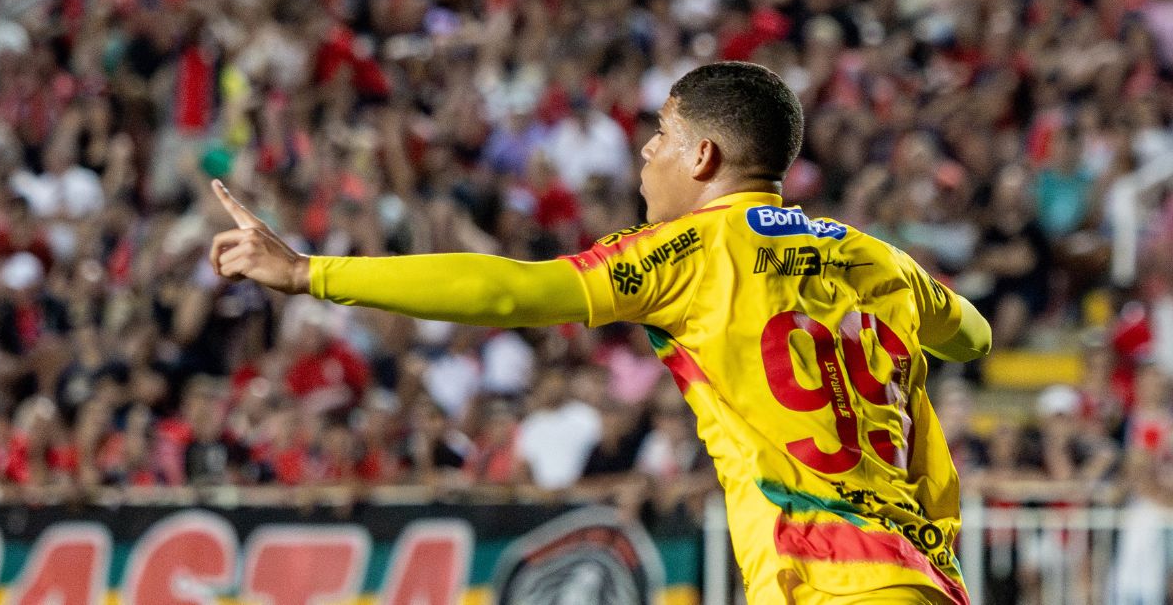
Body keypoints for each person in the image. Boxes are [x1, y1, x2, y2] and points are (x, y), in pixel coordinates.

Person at [209, 61, 991, 604]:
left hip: (830, 580)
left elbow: (508, 289)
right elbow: (974, 337)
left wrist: (312, 272)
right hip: (922, 576)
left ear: (704, 154)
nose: (648, 153)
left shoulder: (687, 253)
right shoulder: (874, 258)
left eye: (662, 134)